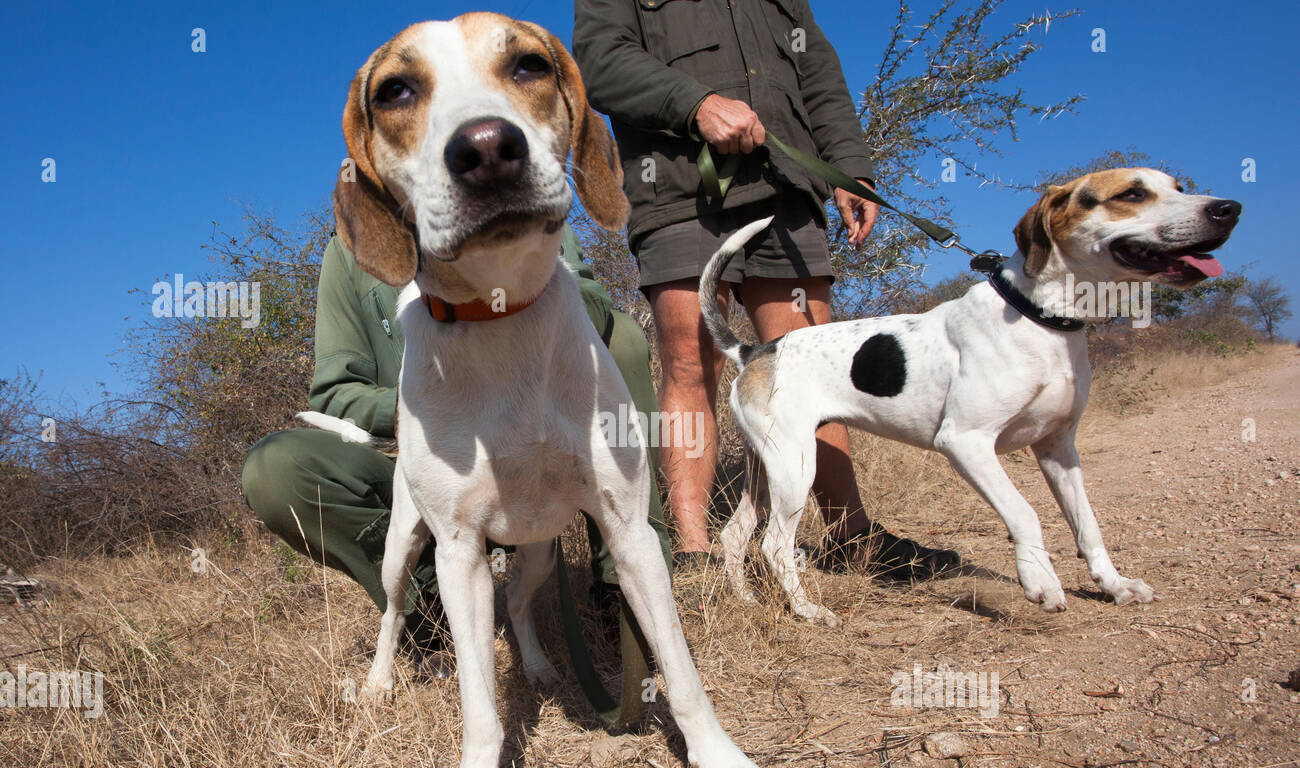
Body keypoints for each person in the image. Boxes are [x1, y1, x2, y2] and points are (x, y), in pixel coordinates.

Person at [573, 0, 958, 577]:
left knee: (814, 364)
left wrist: (849, 164)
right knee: (691, 361)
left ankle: (851, 537)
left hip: (788, 186)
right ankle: (694, 552)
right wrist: (697, 105)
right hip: (680, 190)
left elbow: (818, 69)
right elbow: (602, 62)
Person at [241, 226, 671, 654]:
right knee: (273, 468)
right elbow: (335, 392)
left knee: (622, 340)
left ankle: (623, 590)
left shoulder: (520, 193)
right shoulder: (349, 246)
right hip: (427, 456)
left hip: (541, 446)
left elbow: (590, 300)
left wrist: (522, 310)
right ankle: (428, 606)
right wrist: (418, 404)